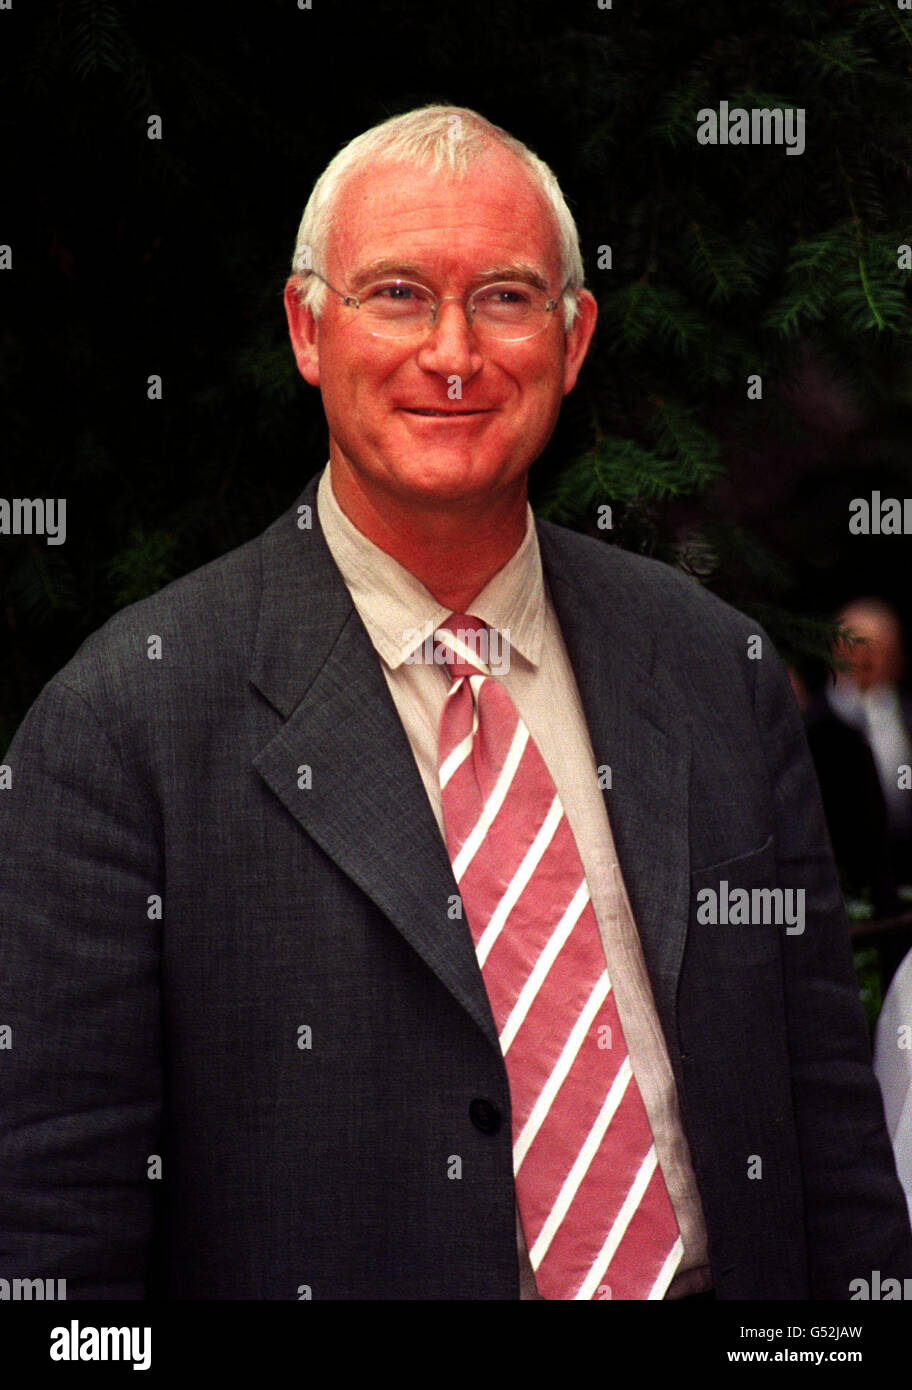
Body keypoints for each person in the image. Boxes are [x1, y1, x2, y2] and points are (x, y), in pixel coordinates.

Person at [1, 104, 910, 1301]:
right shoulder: (124, 724)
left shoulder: (714, 671)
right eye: (395, 293)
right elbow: (58, 1229)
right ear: (306, 328)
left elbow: (832, 1143)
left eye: (505, 296)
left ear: (574, 339)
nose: (452, 352)